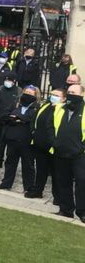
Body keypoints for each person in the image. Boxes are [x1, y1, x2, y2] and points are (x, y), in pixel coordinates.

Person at [48, 83, 85, 221]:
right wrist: (55, 142)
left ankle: (82, 212)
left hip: (80, 154)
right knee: (62, 182)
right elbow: (50, 126)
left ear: (82, 95)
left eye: (74, 93)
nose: (70, 95)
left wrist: (81, 147)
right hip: (61, 152)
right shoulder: (59, 109)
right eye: (69, 92)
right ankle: (66, 209)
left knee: (82, 182)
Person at [0, 86, 39, 193]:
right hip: (12, 138)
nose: (27, 95)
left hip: (27, 141)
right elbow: (4, 115)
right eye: (26, 92)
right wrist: (18, 119)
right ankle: (6, 183)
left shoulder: (37, 108)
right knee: (10, 162)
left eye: (30, 93)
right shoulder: (15, 104)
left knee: (28, 165)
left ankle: (28, 186)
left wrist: (18, 118)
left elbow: (32, 119)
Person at [25, 89, 65, 200]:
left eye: (56, 95)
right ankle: (38, 191)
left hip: (54, 146)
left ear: (63, 98)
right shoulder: (45, 105)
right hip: (40, 144)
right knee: (41, 170)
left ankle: (57, 196)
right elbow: (35, 118)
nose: (53, 96)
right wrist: (33, 131)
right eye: (52, 94)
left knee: (56, 173)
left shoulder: (63, 109)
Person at [0, 72, 20, 169]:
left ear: (14, 81)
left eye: (9, 80)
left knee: (10, 142)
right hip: (0, 118)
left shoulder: (19, 91)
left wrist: (13, 115)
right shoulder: (0, 89)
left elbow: (19, 105)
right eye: (6, 80)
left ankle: (10, 162)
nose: (7, 82)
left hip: (11, 120)